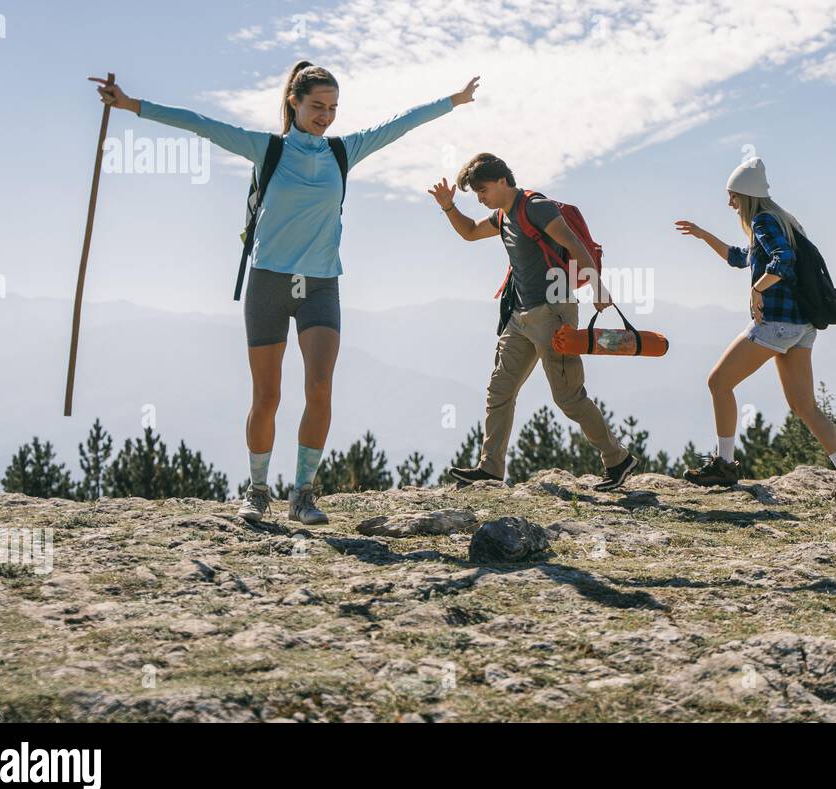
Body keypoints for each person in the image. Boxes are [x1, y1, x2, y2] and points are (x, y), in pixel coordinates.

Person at [91, 63, 478, 524]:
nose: (326, 116)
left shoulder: (343, 151)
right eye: (317, 106)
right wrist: (131, 104)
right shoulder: (267, 149)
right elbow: (201, 124)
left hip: (320, 284)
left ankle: (303, 494)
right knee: (267, 396)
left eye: (333, 108)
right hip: (269, 283)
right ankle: (257, 491)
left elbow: (398, 125)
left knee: (319, 389)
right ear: (294, 102)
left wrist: (452, 101)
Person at [429, 153, 638, 492]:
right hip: (520, 315)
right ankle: (490, 469)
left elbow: (574, 244)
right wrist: (448, 206)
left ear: (501, 180)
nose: (480, 199)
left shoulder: (535, 206)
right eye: (476, 194)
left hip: (554, 311)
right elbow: (468, 232)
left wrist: (598, 286)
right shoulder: (502, 216)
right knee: (499, 390)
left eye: (482, 191)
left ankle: (617, 459)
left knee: (568, 398)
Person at [674, 157, 836, 502]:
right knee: (804, 406)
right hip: (803, 326)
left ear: (746, 196)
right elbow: (741, 258)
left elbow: (783, 261)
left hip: (777, 323)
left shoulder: (764, 221)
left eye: (732, 196)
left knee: (718, 382)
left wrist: (757, 289)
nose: (729, 203)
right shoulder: (782, 220)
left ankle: (724, 463)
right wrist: (704, 235)